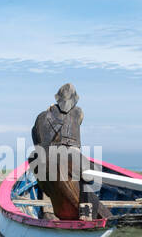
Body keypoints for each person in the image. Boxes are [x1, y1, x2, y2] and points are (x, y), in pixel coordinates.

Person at [30, 83, 104, 220]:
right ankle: (86, 211)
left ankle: (48, 204)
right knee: (93, 175)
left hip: (50, 154)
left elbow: (36, 136)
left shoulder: (45, 114)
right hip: (71, 153)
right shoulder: (78, 112)